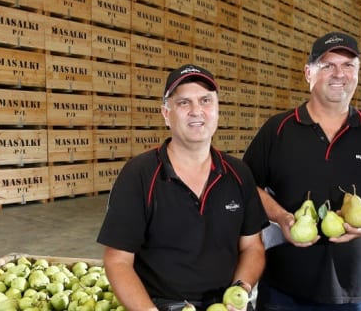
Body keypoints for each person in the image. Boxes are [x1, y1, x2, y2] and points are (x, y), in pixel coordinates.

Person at [243, 32, 361, 310]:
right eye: (328, 65)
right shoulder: (278, 129)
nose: (339, 74)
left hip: (350, 290)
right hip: (282, 287)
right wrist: (280, 216)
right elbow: (246, 187)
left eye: (348, 65)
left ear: (358, 73)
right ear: (308, 73)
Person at [98, 64, 268, 311]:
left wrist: (241, 288)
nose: (196, 111)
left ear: (217, 110)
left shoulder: (239, 173)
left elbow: (252, 247)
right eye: (183, 103)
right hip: (161, 305)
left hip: (225, 305)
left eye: (205, 101)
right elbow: (117, 261)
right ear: (166, 114)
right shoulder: (139, 174)